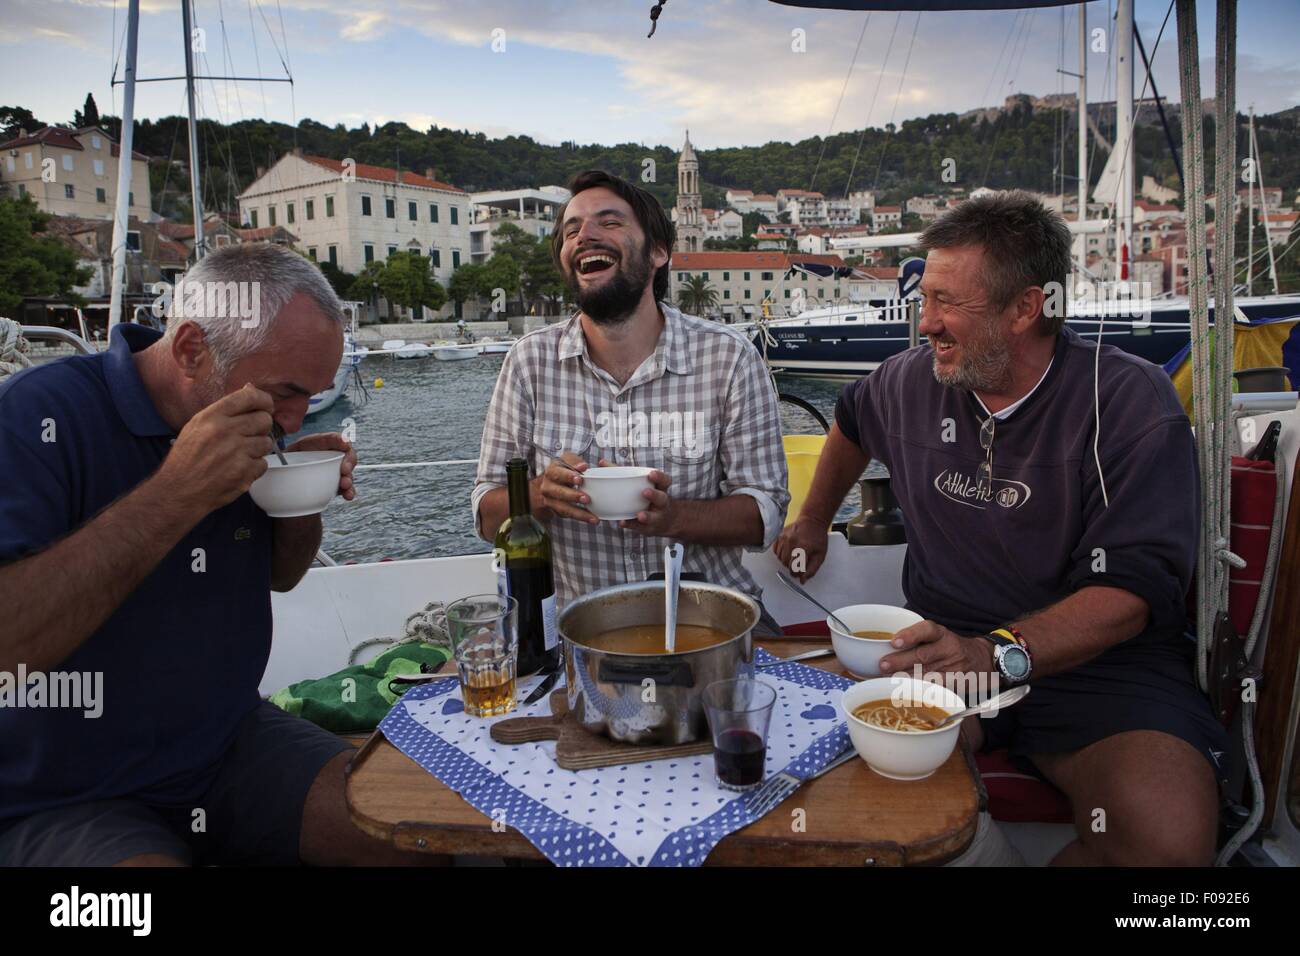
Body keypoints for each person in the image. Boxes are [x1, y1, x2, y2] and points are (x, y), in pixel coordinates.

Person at [775, 191, 1226, 865]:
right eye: (923, 299)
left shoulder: (1128, 402)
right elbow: (851, 420)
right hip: (946, 658)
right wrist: (811, 521)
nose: (926, 324)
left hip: (1104, 673)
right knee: (833, 798)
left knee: (1164, 846)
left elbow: (1132, 595)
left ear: (1026, 308)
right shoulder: (907, 383)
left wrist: (997, 652)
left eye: (948, 303)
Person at [0, 243, 428, 866]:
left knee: (411, 838)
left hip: (226, 743)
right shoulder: (38, 416)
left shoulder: (253, 432)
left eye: (313, 393)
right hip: (63, 789)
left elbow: (282, 576)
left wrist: (299, 495)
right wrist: (178, 489)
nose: (294, 415)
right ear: (191, 350)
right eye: (286, 390)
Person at [473, 170, 789, 630]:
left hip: (710, 621)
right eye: (571, 229)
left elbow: (765, 515)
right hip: (580, 633)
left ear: (658, 252)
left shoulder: (729, 357)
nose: (585, 235)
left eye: (609, 221)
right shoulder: (528, 363)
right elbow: (486, 516)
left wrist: (673, 517)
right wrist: (541, 494)